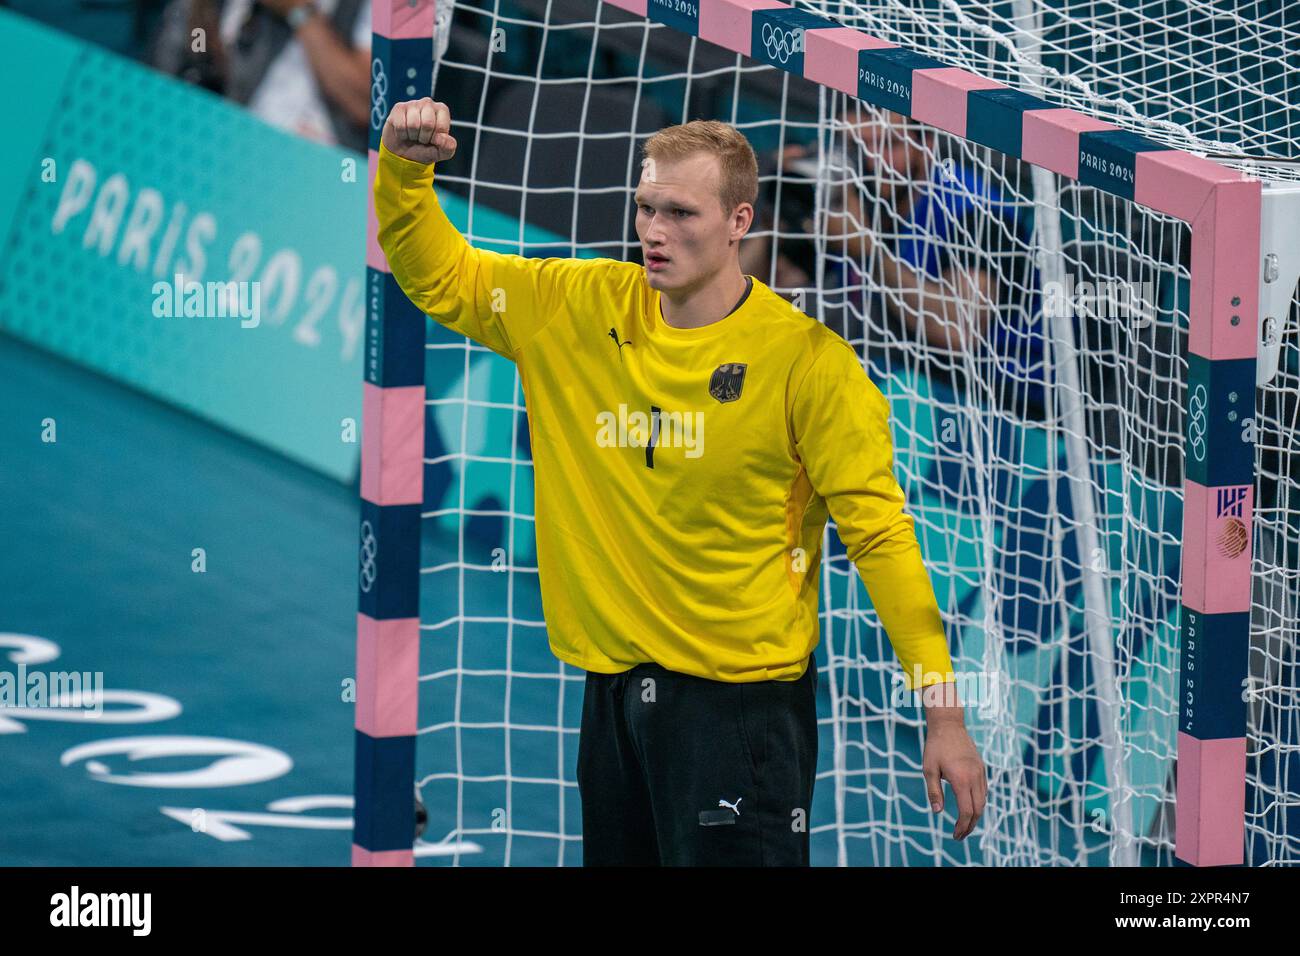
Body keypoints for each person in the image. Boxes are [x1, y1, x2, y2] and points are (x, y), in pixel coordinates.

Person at [373, 98, 987, 866]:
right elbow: (441, 276)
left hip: (740, 718)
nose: (656, 232)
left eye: (681, 213)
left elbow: (883, 542)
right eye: (646, 208)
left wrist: (945, 716)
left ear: (739, 221)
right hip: (614, 700)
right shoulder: (577, 304)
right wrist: (403, 170)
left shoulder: (809, 365)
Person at [149, 0, 371, 152]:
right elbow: (183, 62)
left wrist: (299, 11)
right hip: (221, 141)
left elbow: (365, 103)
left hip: (325, 169)